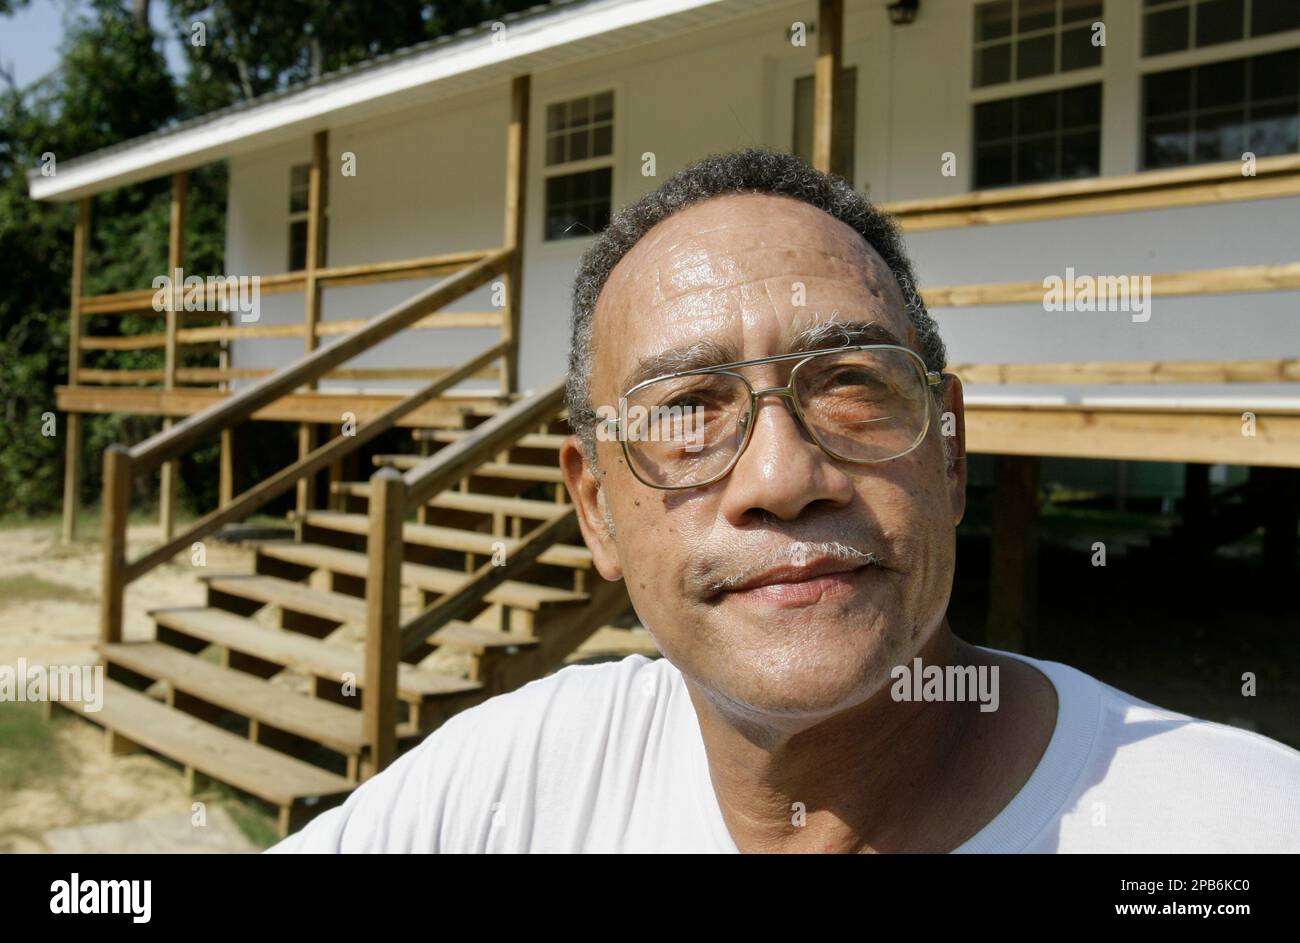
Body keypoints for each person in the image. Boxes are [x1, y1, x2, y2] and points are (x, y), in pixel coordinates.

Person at [269, 148, 1300, 853]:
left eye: (849, 382)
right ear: (594, 510)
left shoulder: (1236, 829)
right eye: (686, 409)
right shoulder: (516, 781)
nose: (782, 478)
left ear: (949, 451)